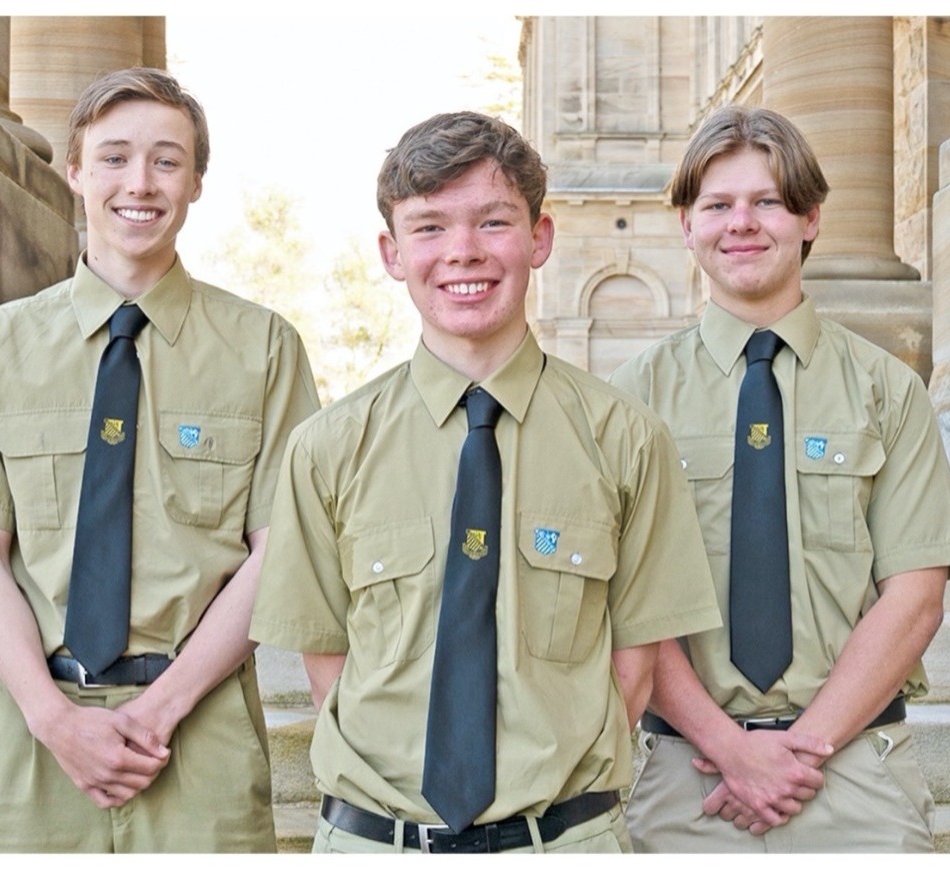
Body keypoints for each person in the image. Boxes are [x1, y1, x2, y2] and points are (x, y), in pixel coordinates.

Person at [248, 111, 720, 854]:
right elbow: (327, 664)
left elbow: (635, 666)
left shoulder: (625, 439)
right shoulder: (327, 448)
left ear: (540, 238)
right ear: (391, 251)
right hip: (378, 842)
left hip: (562, 841)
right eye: (430, 227)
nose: (462, 252)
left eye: (493, 222)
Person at [0, 67, 320, 852]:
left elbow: (279, 555)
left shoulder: (265, 348)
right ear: (75, 171)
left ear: (197, 180)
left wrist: (160, 709)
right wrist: (55, 719)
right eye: (115, 156)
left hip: (202, 738)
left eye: (167, 160)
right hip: (35, 736)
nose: (141, 182)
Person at [610, 105, 950, 853]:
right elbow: (628, 607)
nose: (740, 223)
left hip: (852, 774)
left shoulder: (886, 389)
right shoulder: (629, 398)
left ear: (810, 217)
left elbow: (915, 597)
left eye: (767, 201)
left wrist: (800, 750)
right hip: (687, 776)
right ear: (687, 225)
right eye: (716, 205)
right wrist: (734, 748)